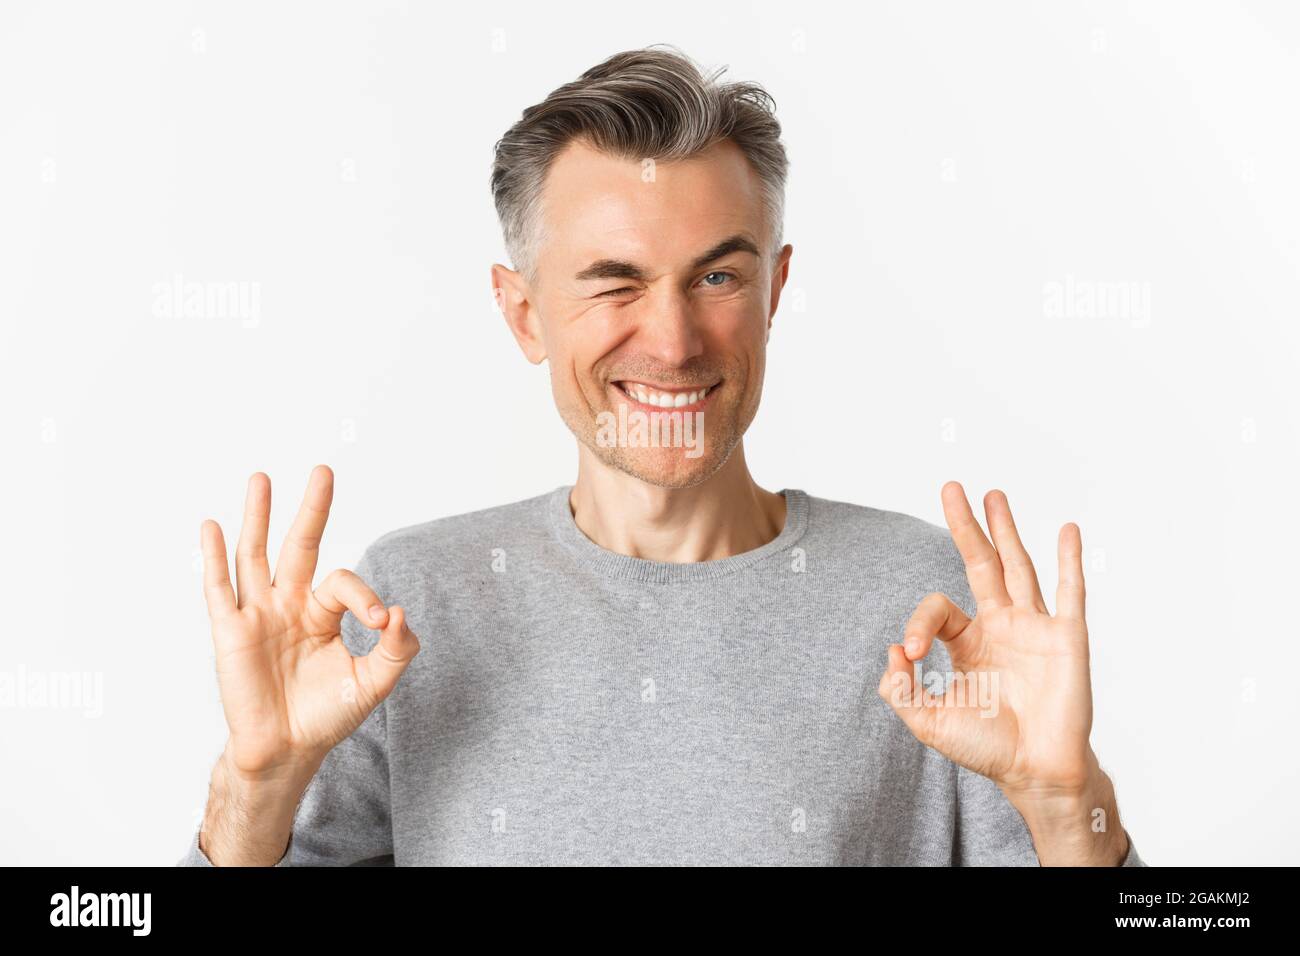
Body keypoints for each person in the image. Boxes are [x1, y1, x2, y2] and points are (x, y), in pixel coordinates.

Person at [179, 44, 1144, 866]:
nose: (675, 341)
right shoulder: (404, 607)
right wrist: (252, 788)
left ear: (774, 290)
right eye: (615, 284)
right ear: (523, 313)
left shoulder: (935, 607)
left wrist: (1070, 805)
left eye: (718, 275)